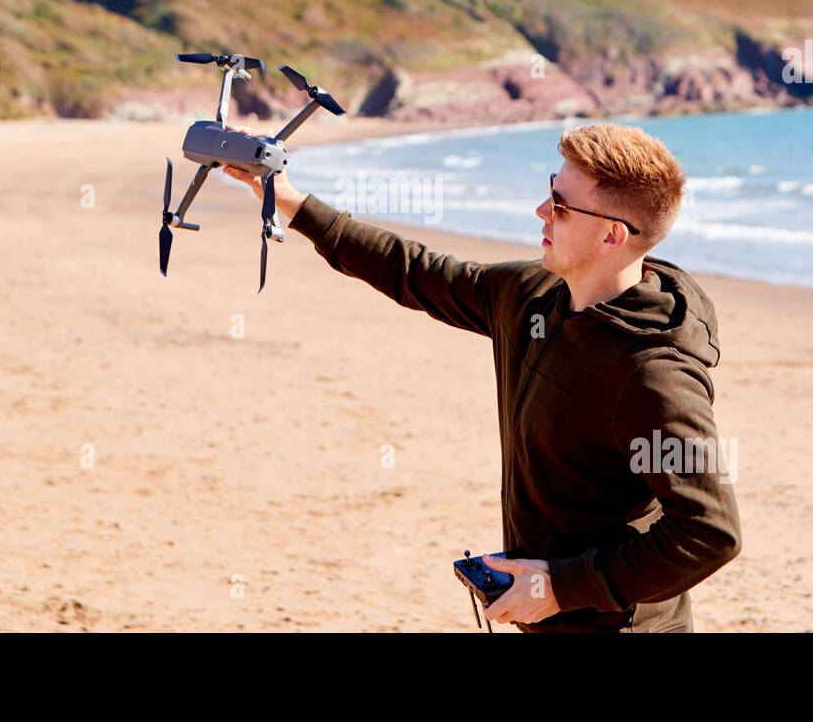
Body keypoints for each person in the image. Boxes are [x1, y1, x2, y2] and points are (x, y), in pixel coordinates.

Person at [222, 120, 741, 632]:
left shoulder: (652, 375)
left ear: (612, 235)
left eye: (560, 206)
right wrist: (286, 197)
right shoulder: (529, 296)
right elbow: (414, 272)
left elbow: (709, 531)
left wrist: (562, 587)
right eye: (549, 192)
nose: (542, 211)